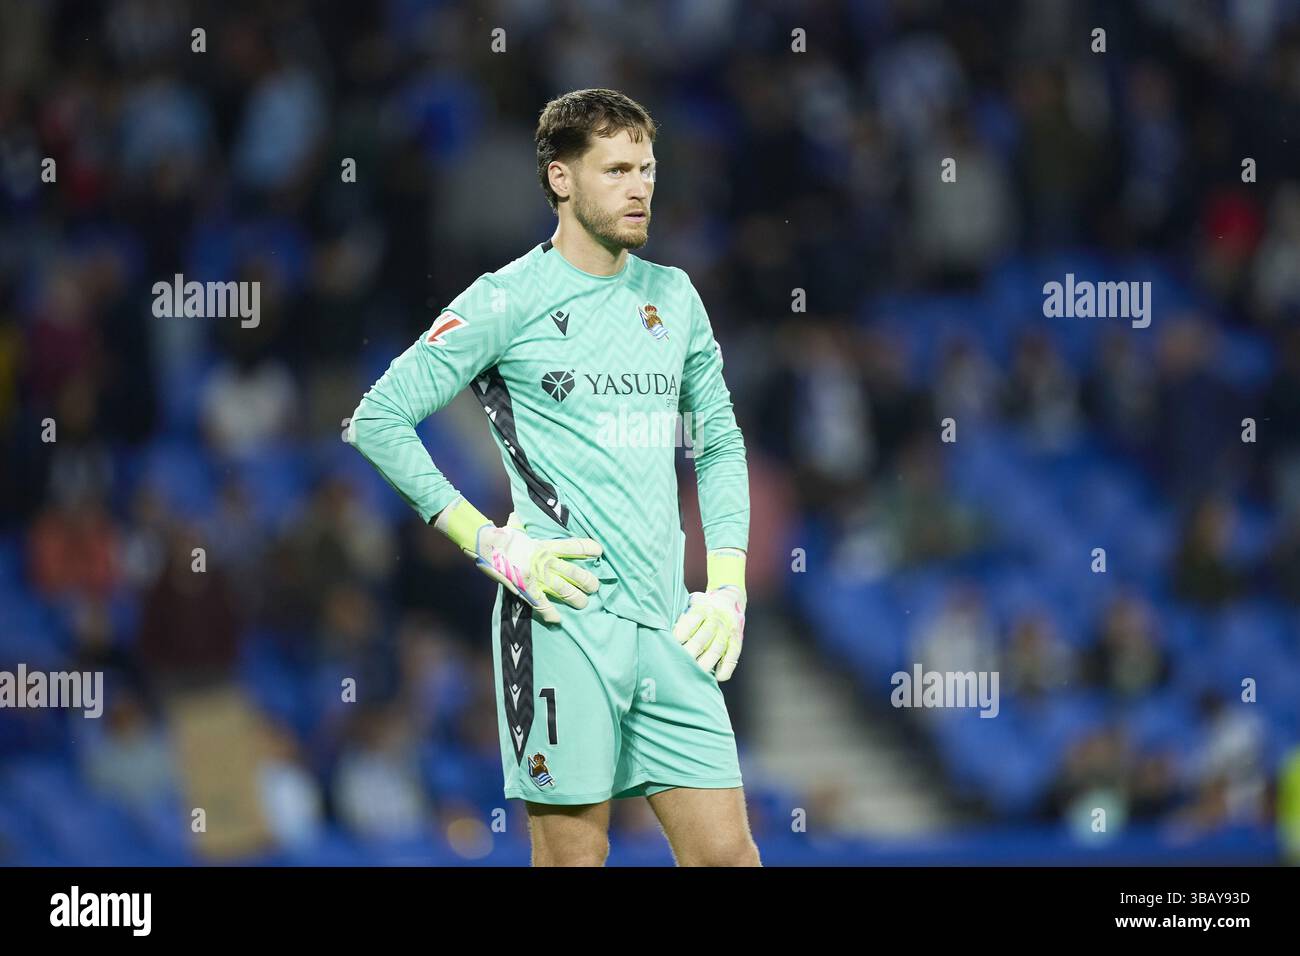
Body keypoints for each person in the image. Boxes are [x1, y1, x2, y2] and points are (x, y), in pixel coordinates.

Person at [349, 89, 759, 866]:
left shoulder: (674, 296)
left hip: (671, 624)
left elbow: (720, 445)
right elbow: (379, 418)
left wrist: (729, 584)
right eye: (616, 169)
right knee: (576, 860)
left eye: (647, 168)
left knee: (729, 858)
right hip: (563, 622)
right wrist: (490, 544)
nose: (640, 187)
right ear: (560, 179)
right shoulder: (507, 299)